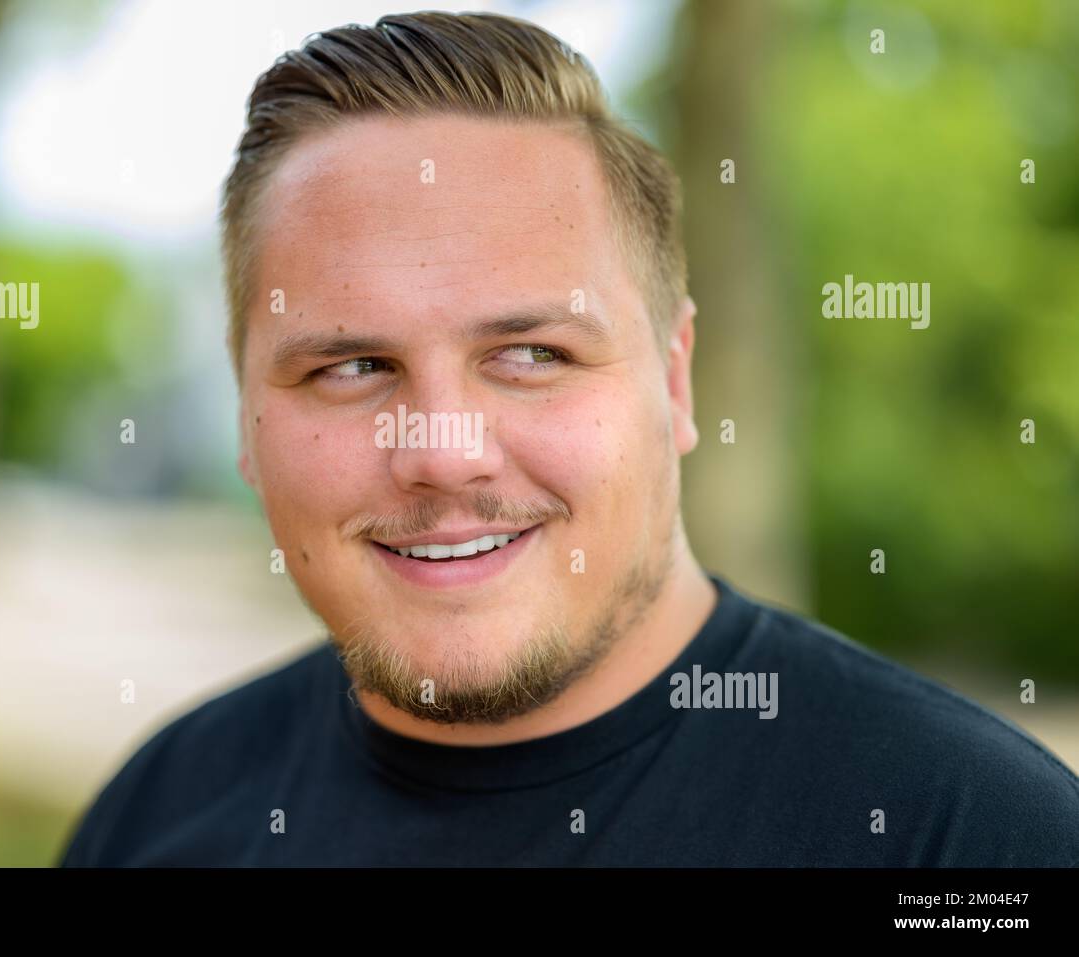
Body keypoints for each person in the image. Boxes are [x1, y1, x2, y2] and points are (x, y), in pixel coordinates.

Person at [60, 11, 1079, 866]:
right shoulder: (157, 817)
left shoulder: (971, 844)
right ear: (247, 421)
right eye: (352, 368)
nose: (443, 450)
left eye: (532, 354)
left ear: (674, 380)